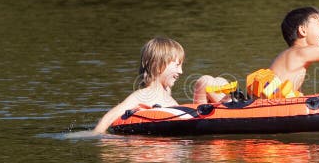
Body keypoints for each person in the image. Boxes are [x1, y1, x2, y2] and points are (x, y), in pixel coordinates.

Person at [93, 37, 229, 134]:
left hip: (190, 129)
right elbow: (114, 113)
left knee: (218, 81)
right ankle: (232, 109)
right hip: (188, 137)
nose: (181, 71)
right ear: (157, 66)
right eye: (177, 65)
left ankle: (236, 107)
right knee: (205, 81)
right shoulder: (143, 95)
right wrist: (97, 133)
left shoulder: (166, 94)